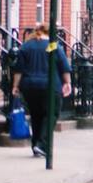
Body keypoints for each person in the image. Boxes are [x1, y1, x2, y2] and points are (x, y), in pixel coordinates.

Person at [10, 24, 73, 159]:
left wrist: (15, 86)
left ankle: (36, 146)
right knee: (51, 114)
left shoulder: (26, 46)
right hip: (50, 86)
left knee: (36, 115)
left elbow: (18, 70)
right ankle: (42, 144)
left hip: (30, 87)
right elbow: (64, 67)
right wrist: (67, 82)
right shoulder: (53, 46)